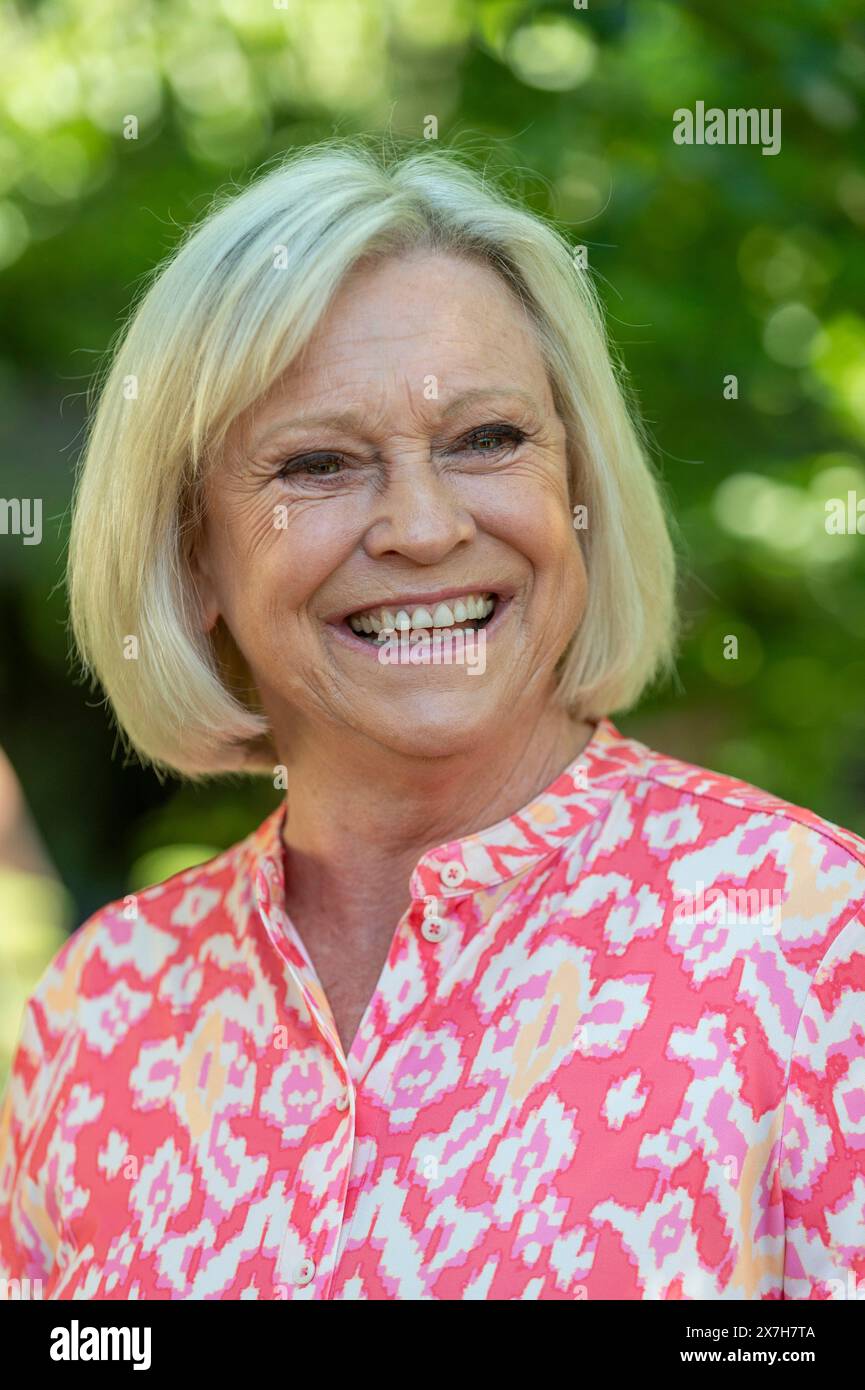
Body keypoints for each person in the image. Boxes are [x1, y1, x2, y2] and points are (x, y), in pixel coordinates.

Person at [1, 142, 862, 1300]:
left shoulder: (815, 946)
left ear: (581, 492)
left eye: (485, 439)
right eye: (318, 462)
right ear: (191, 554)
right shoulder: (102, 1009)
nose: (420, 524)